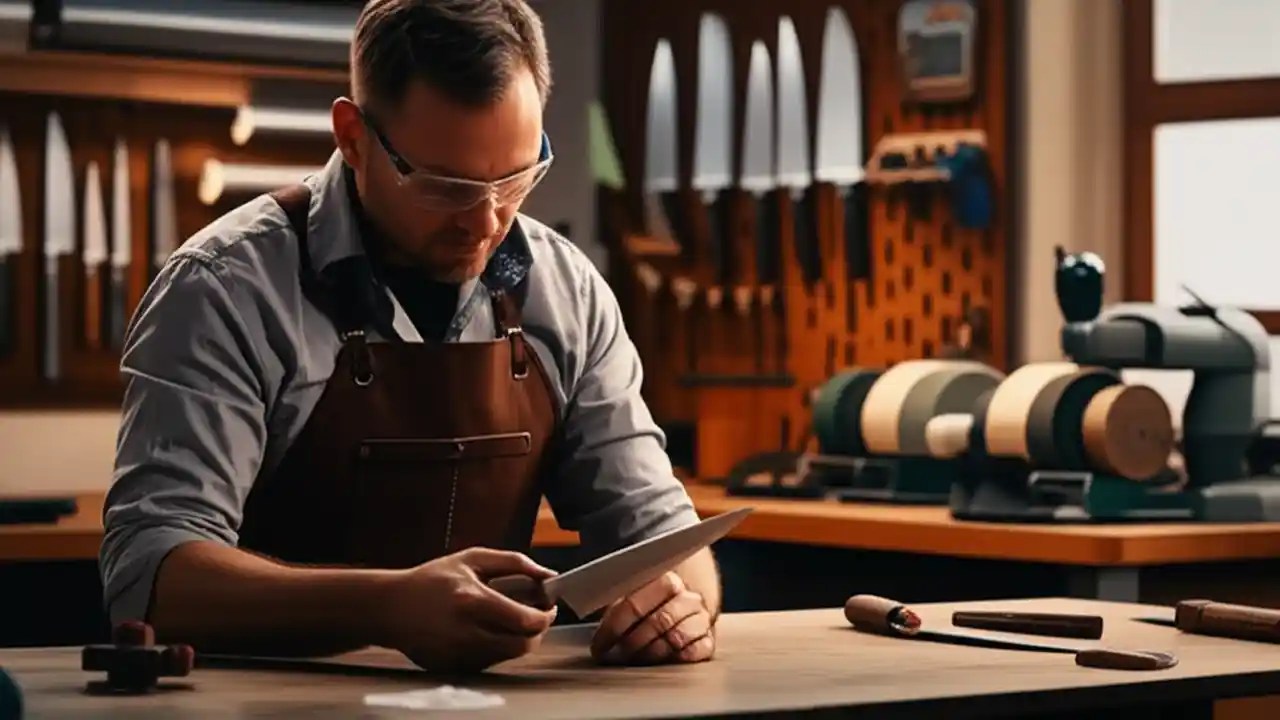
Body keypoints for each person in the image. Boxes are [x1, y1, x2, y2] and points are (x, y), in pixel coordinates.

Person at [99, 0, 720, 672]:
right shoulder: (223, 289)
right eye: (446, 186)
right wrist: (385, 609)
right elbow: (151, 574)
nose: (487, 223)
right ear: (354, 137)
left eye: (515, 179)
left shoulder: (566, 292)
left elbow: (667, 538)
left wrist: (679, 604)